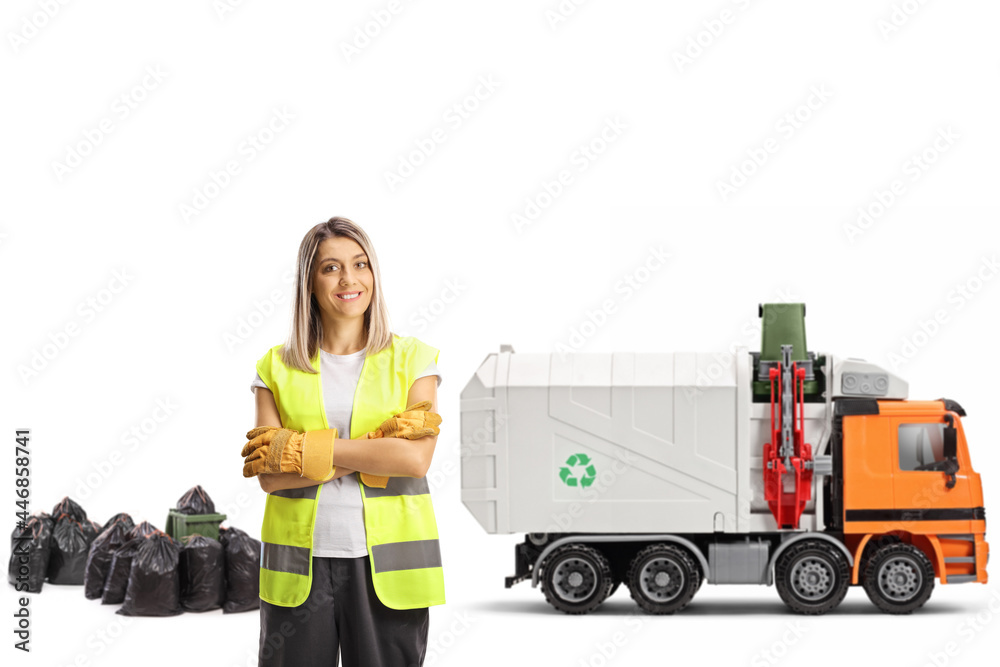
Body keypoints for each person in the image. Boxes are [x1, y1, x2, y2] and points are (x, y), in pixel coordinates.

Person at [246, 217, 445, 666]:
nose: (349, 279)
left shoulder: (415, 360)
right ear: (309, 283)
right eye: (330, 268)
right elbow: (271, 477)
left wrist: (305, 450)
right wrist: (375, 448)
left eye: (360, 264)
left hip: (388, 571)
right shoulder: (274, 368)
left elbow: (414, 460)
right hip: (300, 564)